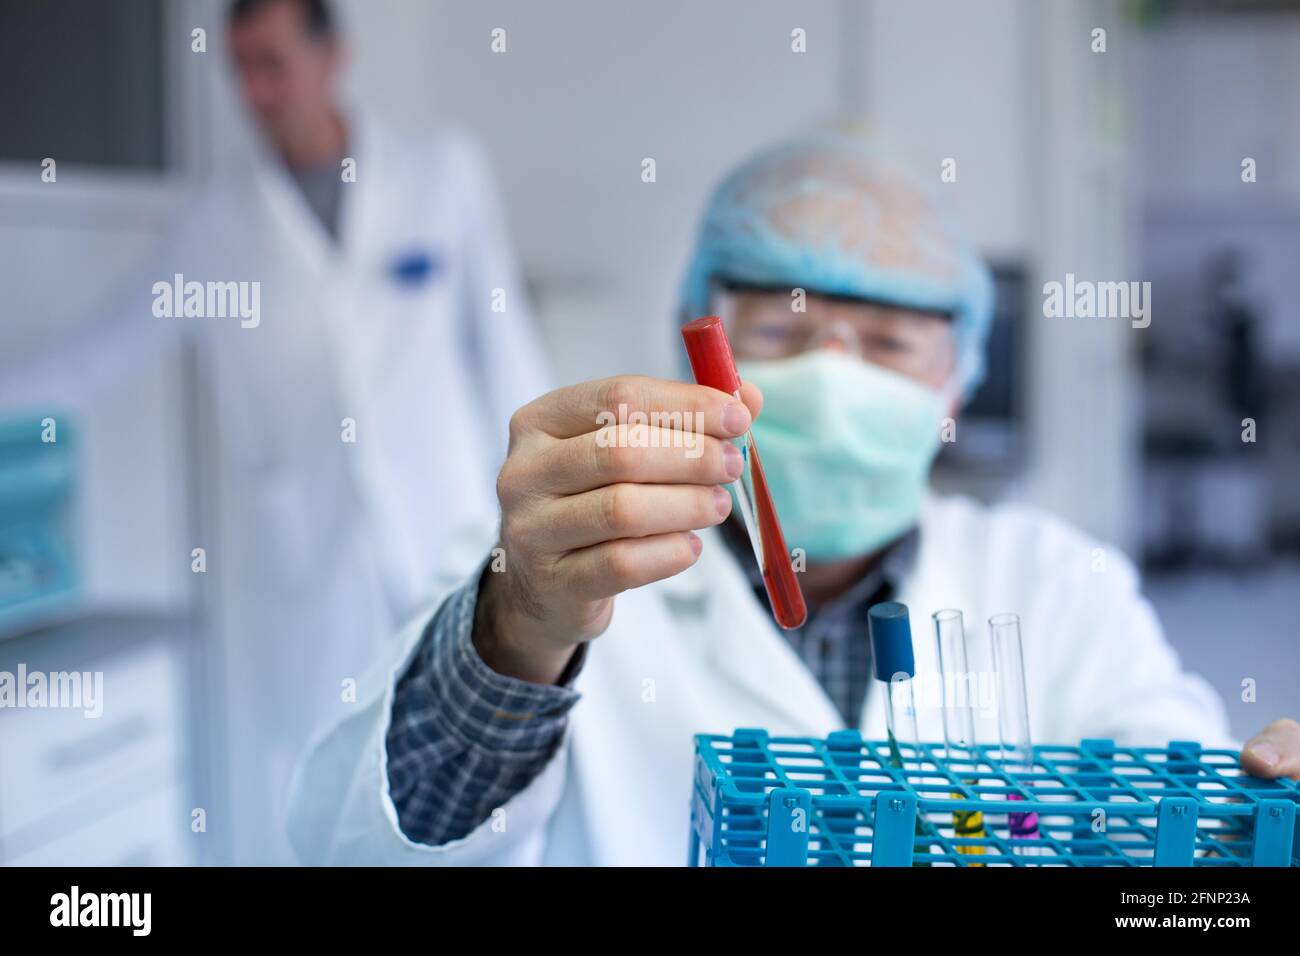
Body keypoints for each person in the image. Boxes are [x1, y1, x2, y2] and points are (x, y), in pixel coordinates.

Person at [287, 131, 1299, 866]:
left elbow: (1185, 829)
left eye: (892, 343)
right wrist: (517, 630)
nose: (833, 369)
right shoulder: (546, 569)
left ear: (955, 381)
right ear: (701, 340)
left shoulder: (1060, 583)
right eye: (779, 328)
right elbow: (362, 849)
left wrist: (1258, 807)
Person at [1, 0, 548, 863]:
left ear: (333, 55)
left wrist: (544, 515)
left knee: (481, 787)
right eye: (239, 68)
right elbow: (95, 358)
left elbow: (505, 343)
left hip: (452, 532)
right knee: (338, 797)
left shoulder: (442, 173)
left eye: (272, 62)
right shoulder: (213, 227)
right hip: (309, 571)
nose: (254, 90)